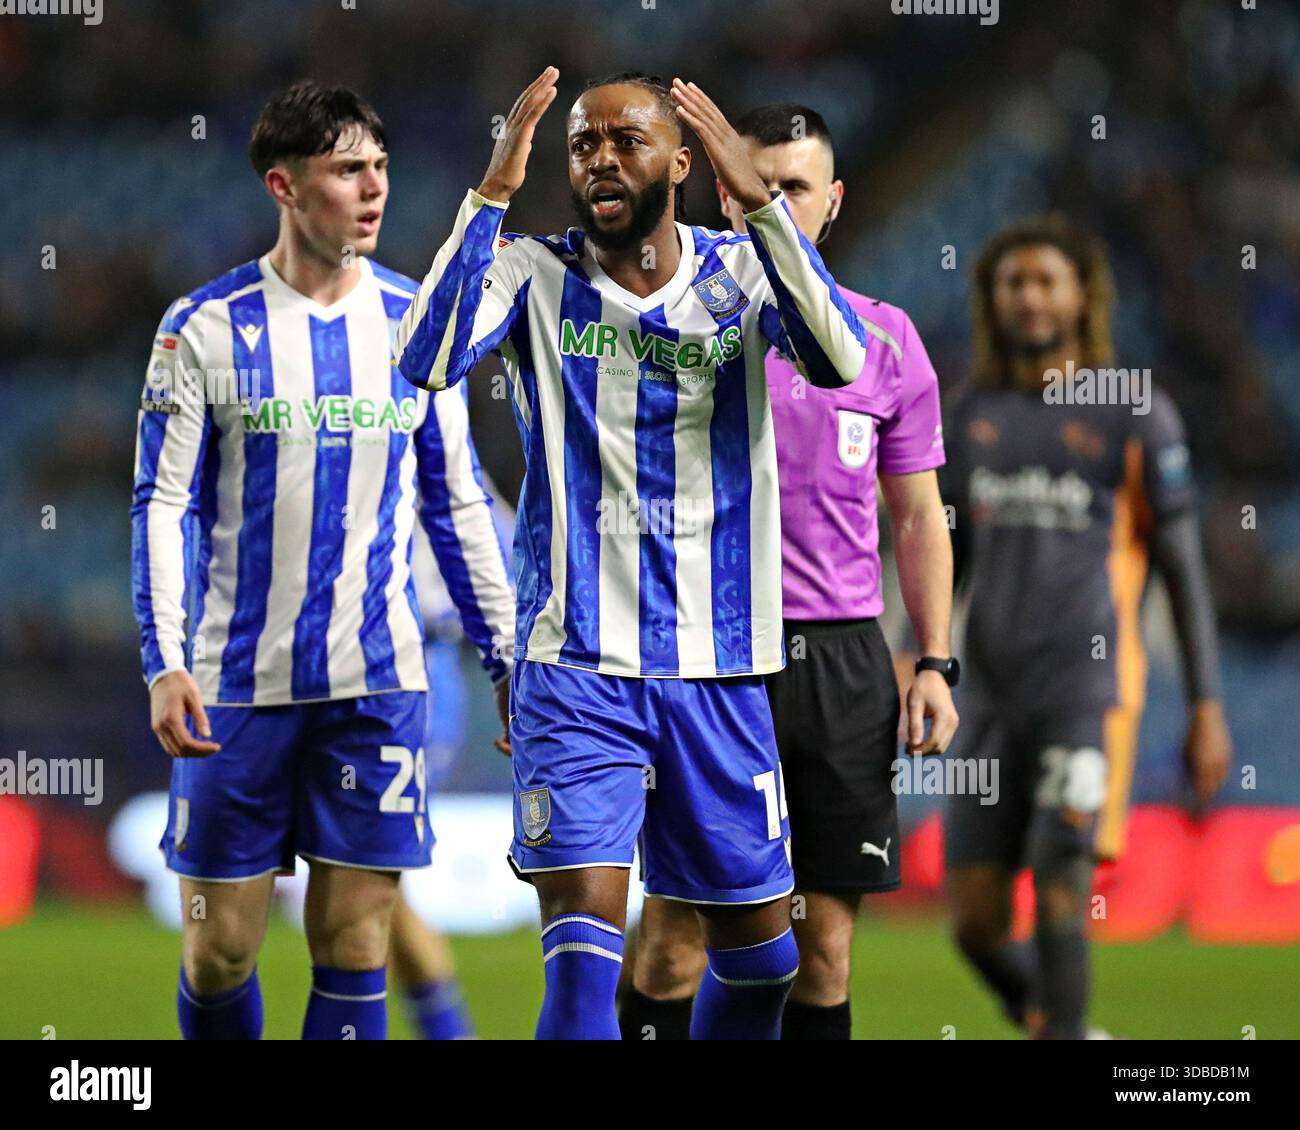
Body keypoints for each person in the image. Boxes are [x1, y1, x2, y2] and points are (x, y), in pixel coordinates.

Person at [393, 68, 893, 1039]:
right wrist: (490, 195)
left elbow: (841, 360)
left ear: (681, 161)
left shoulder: (741, 271)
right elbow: (425, 356)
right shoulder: (531, 271)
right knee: (584, 961)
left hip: (718, 670)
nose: (602, 159)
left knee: (762, 963)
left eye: (626, 140)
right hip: (574, 668)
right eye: (584, 145)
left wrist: (759, 209)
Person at [131, 80, 513, 1040]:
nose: (374, 188)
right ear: (285, 186)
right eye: (348, 170)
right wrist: (164, 658)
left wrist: (508, 656)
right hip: (234, 687)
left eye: (380, 167)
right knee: (220, 952)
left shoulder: (414, 323)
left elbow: (456, 499)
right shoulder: (203, 328)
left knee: (356, 942)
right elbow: (162, 502)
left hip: (376, 682)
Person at [620, 102, 959, 1042]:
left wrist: (933, 660)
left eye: (790, 190)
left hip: (840, 664)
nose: (764, 207)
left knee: (823, 952)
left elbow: (919, 517)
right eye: (746, 189)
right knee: (675, 938)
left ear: (832, 202)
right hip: (703, 656)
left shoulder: (883, 342)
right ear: (717, 198)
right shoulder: (669, 331)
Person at [942, 216, 1232, 1039]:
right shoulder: (973, 414)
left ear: (1080, 297)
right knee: (973, 920)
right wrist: (915, 654)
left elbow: (1182, 568)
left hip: (1089, 697)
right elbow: (949, 556)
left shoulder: (1131, 410)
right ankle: (1055, 1022)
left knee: (1062, 885)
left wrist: (1208, 709)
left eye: (1045, 281)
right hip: (990, 698)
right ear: (992, 299)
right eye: (1011, 283)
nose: (1028, 297)